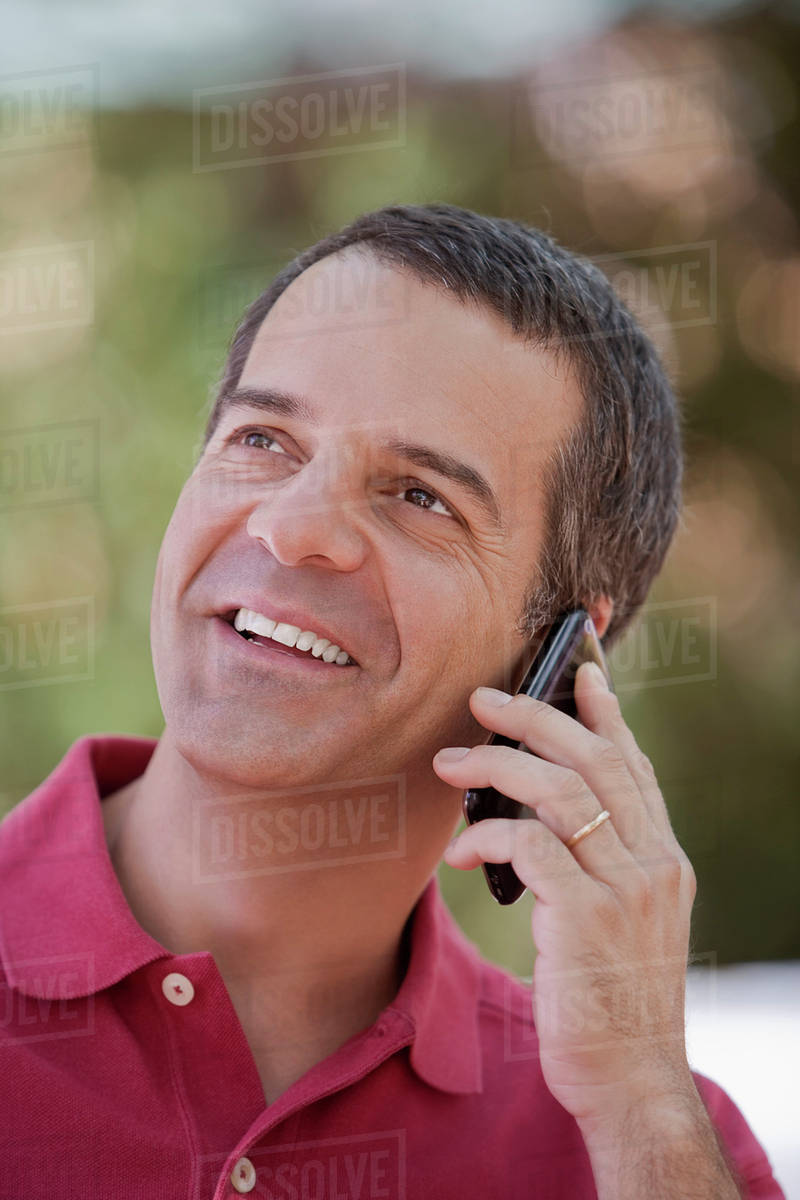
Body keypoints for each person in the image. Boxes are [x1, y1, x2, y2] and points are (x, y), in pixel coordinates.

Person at [0, 205, 784, 1198]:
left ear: (558, 656)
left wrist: (639, 1105)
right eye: (264, 439)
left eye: (418, 497)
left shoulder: (642, 1135)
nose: (291, 528)